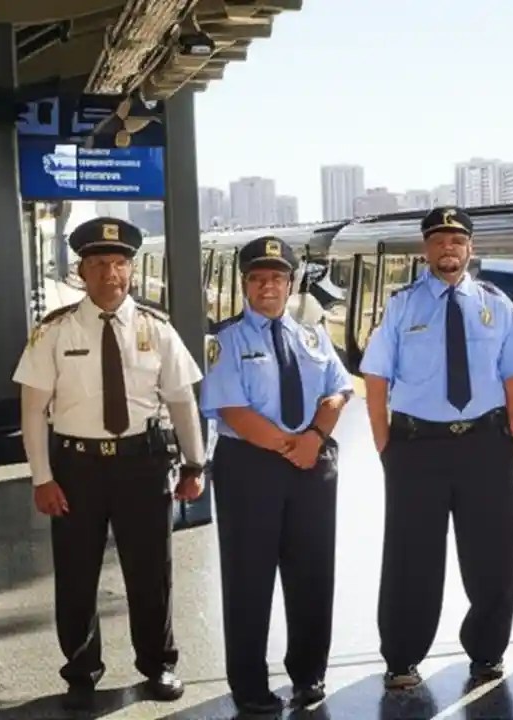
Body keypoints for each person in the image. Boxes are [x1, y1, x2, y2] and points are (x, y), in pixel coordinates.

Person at [13, 217, 206, 711]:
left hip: (142, 465)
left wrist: (194, 464)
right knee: (76, 573)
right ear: (81, 271)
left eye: (119, 263)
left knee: (151, 572)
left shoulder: (156, 330)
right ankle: (81, 670)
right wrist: (42, 477)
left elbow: (182, 401)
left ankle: (158, 663)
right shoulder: (53, 332)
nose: (110, 274)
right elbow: (33, 410)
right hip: (76, 468)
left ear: (133, 272)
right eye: (98, 264)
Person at [361, 206, 513, 687]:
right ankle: (402, 656)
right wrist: (386, 446)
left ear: (470, 249)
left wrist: (511, 440)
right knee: (410, 557)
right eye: (438, 241)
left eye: (457, 241)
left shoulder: (496, 304)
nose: (448, 249)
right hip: (418, 448)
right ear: (426, 250)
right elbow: (376, 377)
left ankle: (486, 651)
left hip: (485, 444)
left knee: (493, 555)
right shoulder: (402, 306)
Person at [199, 236, 352, 713]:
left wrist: (314, 440)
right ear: (245, 284)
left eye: (277, 277)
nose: (269, 286)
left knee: (312, 575)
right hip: (251, 467)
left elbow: (339, 390)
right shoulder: (225, 340)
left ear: (291, 283)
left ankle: (309, 674)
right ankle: (249, 686)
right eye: (258, 278)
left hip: (311, 464)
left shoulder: (312, 334)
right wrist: (294, 446)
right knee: (249, 578)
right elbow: (232, 409)